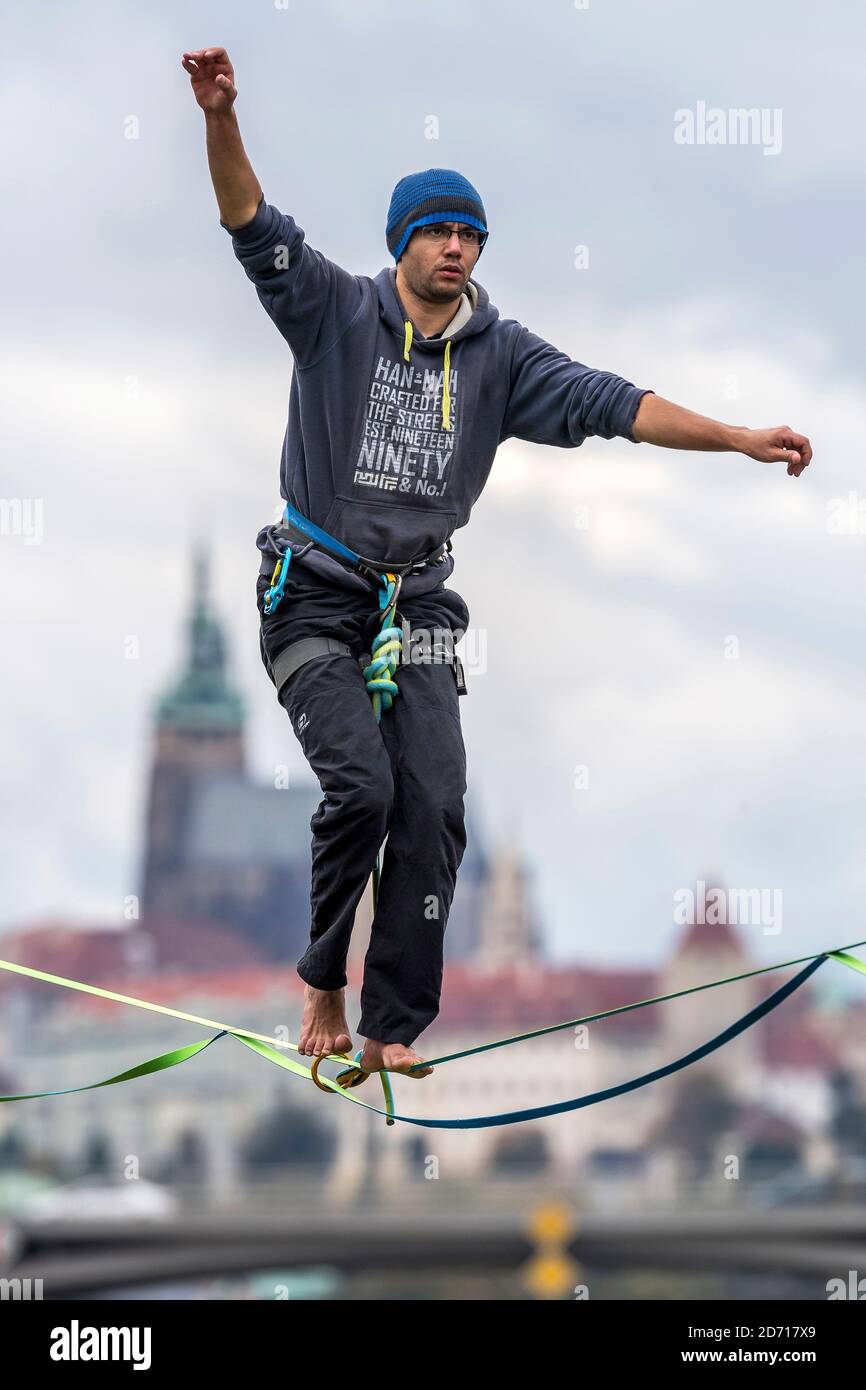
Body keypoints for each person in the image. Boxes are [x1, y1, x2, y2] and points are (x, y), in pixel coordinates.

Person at [182, 46, 813, 1081]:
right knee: (364, 792)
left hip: (419, 603)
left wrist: (738, 436)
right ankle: (322, 980)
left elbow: (622, 406)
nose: (456, 248)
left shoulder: (502, 357)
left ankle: (392, 1024)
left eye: (470, 234)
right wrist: (218, 117)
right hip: (313, 599)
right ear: (400, 244)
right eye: (437, 230)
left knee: (433, 808)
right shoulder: (334, 313)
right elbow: (247, 219)